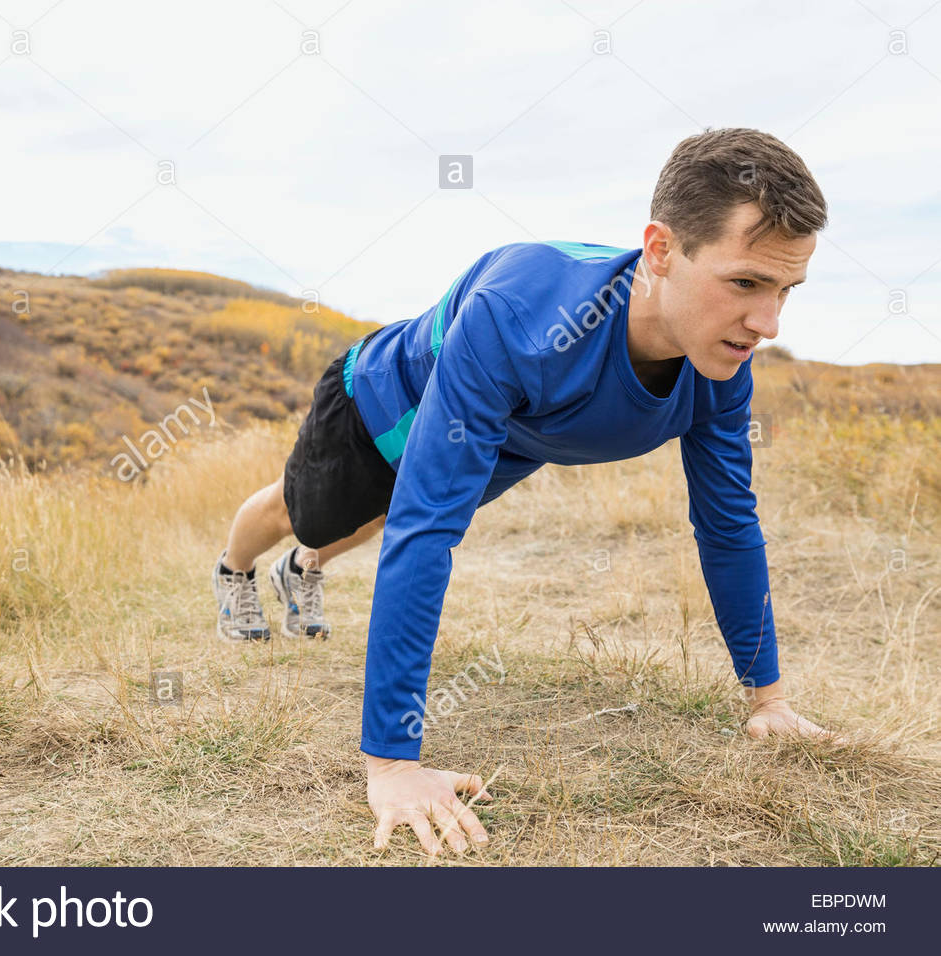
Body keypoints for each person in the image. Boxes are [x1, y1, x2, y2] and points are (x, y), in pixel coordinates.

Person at [211, 127, 843, 855]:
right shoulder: (520, 318)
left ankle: (303, 570)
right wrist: (392, 763)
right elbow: (427, 531)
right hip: (379, 405)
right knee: (305, 512)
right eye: (746, 284)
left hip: (500, 436)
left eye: (785, 290)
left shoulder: (720, 366)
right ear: (661, 251)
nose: (768, 324)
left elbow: (728, 524)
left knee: (383, 516)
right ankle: (236, 571)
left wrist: (769, 700)